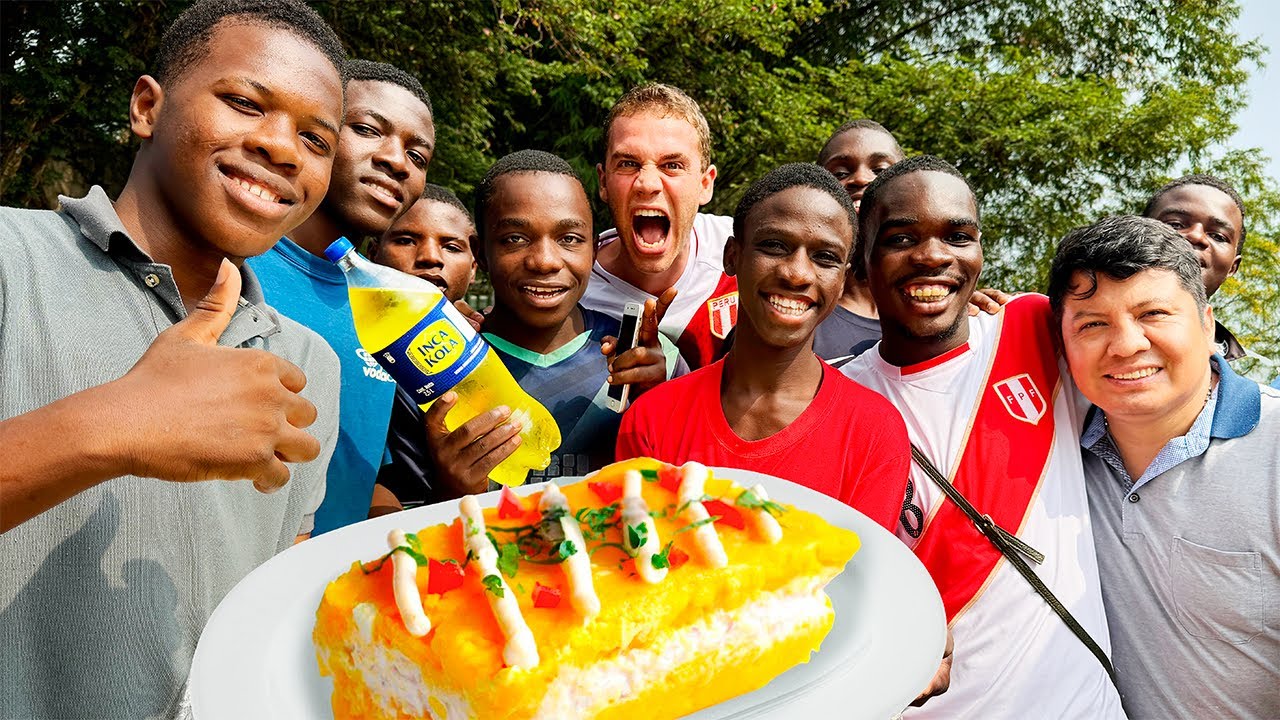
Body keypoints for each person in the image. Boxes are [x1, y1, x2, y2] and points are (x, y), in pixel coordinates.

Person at [0, 0, 345, 716]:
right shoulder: (10, 258)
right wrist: (110, 425)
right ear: (147, 107)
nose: (283, 148)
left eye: (317, 140)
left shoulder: (309, 361)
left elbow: (271, 594)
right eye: (247, 102)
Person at [840, 155, 1124, 718]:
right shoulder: (835, 401)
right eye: (901, 238)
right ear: (861, 260)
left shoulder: (1036, 330)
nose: (933, 256)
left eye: (957, 236)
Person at [1049, 215, 1279, 719]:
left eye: (1153, 313)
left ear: (1207, 323)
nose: (1127, 344)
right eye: (1092, 323)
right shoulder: (1055, 456)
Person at [616, 163, 911, 533]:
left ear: (843, 279)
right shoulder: (652, 420)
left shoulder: (874, 433)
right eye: (774, 246)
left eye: (825, 257)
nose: (797, 273)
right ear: (732, 256)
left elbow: (861, 577)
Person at [379, 151, 685, 506]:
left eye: (569, 238)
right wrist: (453, 491)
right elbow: (398, 520)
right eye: (515, 239)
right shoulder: (429, 368)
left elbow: (687, 490)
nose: (544, 261)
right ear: (480, 252)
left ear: (594, 248)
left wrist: (664, 402)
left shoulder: (649, 359)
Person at [246, 58, 434, 534]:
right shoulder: (235, 268)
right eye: (369, 130)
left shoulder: (394, 307)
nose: (397, 161)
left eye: (418, 156)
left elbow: (358, 469)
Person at [582, 83, 737, 369]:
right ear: (604, 182)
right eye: (628, 163)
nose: (647, 184)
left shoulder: (748, 250)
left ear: (705, 184)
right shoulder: (572, 287)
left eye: (672, 165)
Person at [1142, 174, 1276, 378]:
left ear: (1233, 266)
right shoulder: (1077, 346)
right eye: (1175, 224)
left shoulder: (1262, 380)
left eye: (1218, 236)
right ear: (1136, 235)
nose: (1196, 236)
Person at [812, 119, 906, 363]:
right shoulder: (797, 310)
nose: (861, 178)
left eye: (880, 170)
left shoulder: (942, 311)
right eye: (841, 173)